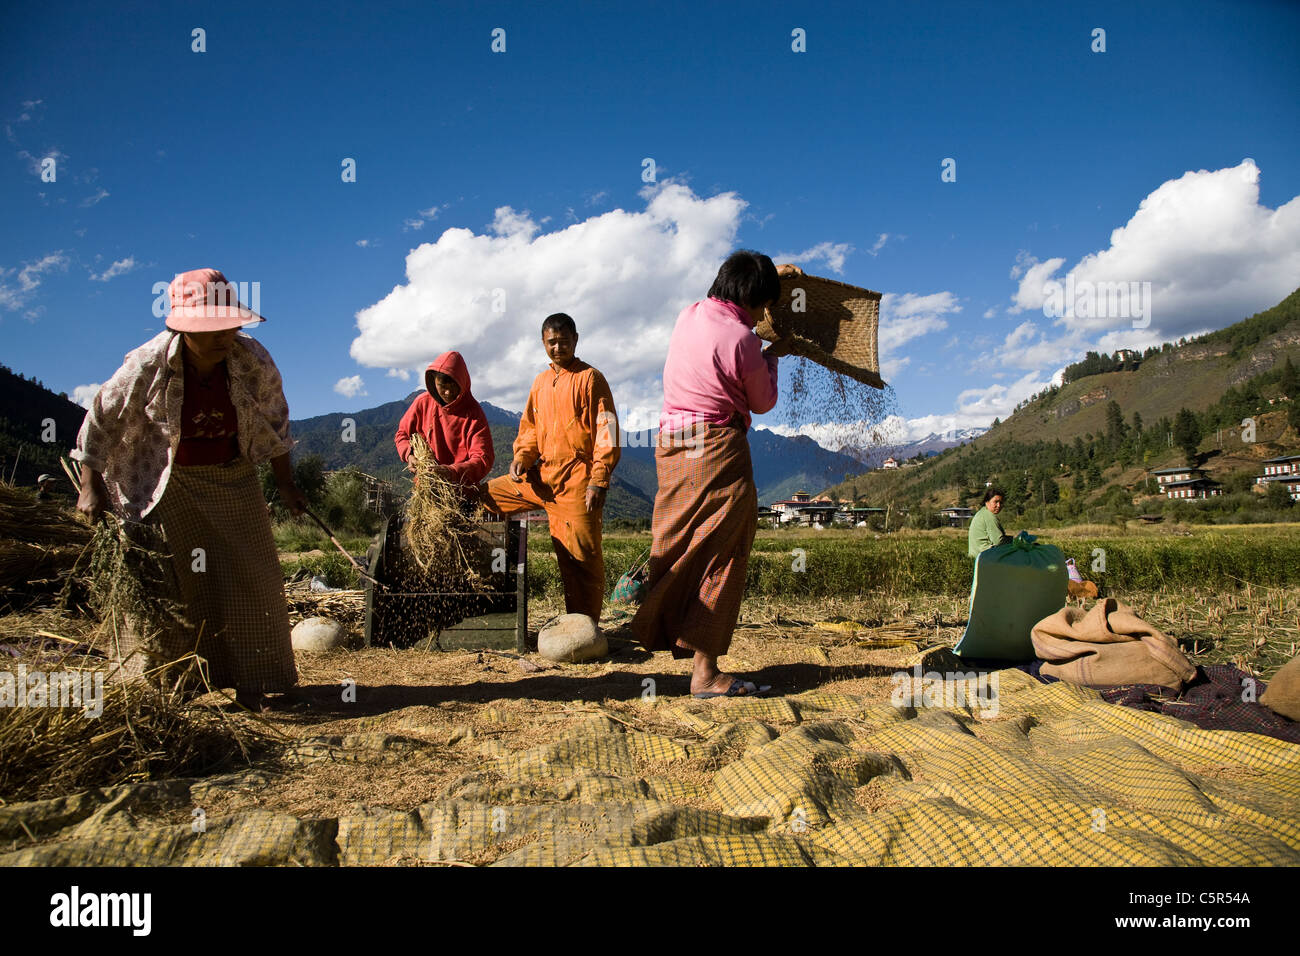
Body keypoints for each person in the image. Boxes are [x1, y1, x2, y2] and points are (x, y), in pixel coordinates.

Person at [73, 268, 306, 712]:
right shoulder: (147, 363)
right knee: (171, 584)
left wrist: (287, 484)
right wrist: (90, 486)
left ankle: (253, 684)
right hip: (161, 480)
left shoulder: (251, 359)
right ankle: (167, 689)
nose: (223, 336)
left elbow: (276, 422)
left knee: (251, 579)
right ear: (181, 326)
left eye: (228, 325)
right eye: (210, 328)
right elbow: (100, 419)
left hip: (231, 476)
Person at [632, 250, 802, 697]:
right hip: (716, 446)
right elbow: (763, 402)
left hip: (672, 445)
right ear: (752, 298)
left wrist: (772, 272)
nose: (765, 314)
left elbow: (723, 290)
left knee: (682, 541)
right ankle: (705, 672)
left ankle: (663, 624)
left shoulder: (687, 316)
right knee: (726, 547)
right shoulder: (745, 341)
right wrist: (776, 353)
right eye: (765, 304)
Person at [480, 313, 619, 621]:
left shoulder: (590, 378)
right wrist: (521, 458)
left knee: (581, 556)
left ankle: (583, 629)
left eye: (564, 342)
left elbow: (606, 430)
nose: (558, 348)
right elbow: (529, 429)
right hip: (539, 476)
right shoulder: (541, 382)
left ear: (576, 340)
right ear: (543, 343)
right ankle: (483, 588)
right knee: (483, 499)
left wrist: (599, 479)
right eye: (551, 343)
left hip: (577, 480)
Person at [394, 351, 494, 489]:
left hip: (462, 493)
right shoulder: (422, 403)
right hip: (427, 490)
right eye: (442, 387)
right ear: (434, 381)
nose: (447, 393)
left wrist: (452, 472)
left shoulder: (474, 414)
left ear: (462, 382)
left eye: (453, 387)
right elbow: (402, 435)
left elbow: (483, 459)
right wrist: (409, 454)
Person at [968, 487, 1013, 558]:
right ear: (987, 502)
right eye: (996, 502)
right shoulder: (988, 516)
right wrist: (1014, 541)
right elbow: (998, 541)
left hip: (976, 557)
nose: (999, 505)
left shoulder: (982, 513)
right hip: (983, 558)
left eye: (1001, 502)